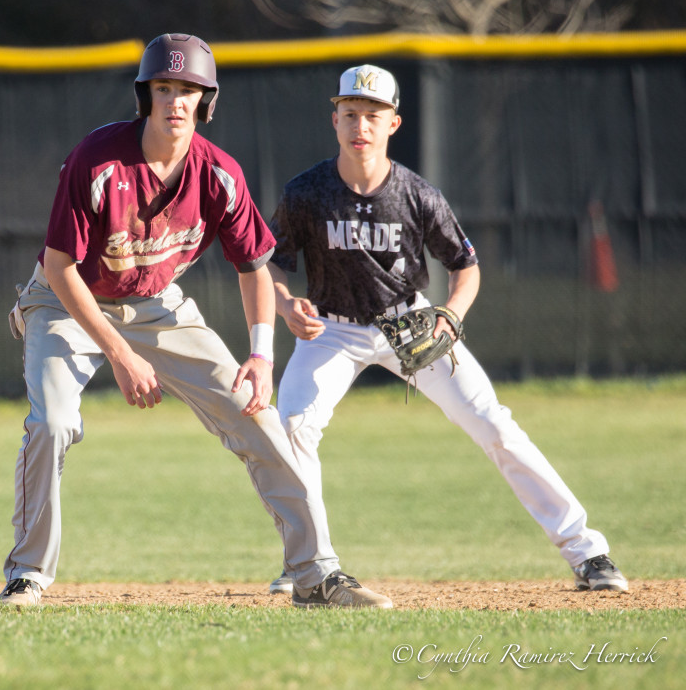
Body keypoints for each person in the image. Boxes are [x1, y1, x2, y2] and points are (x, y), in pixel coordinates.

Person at [0, 35, 393, 610]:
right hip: (67, 300)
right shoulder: (98, 161)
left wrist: (261, 357)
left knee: (260, 419)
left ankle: (316, 574)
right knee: (53, 421)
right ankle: (27, 573)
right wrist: (121, 354)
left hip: (159, 304)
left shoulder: (219, 174)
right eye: (164, 88)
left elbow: (255, 268)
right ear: (145, 96)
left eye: (189, 90)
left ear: (206, 101)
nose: (175, 101)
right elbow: (59, 269)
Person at [265, 64, 628, 596]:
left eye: (373, 115)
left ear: (394, 123)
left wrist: (452, 313)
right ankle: (309, 562)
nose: (360, 125)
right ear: (334, 119)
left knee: (493, 425)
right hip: (332, 331)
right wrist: (282, 302)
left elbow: (466, 265)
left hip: (409, 322)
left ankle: (587, 551)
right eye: (349, 114)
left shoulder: (416, 194)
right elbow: (269, 262)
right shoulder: (307, 192)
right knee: (291, 428)